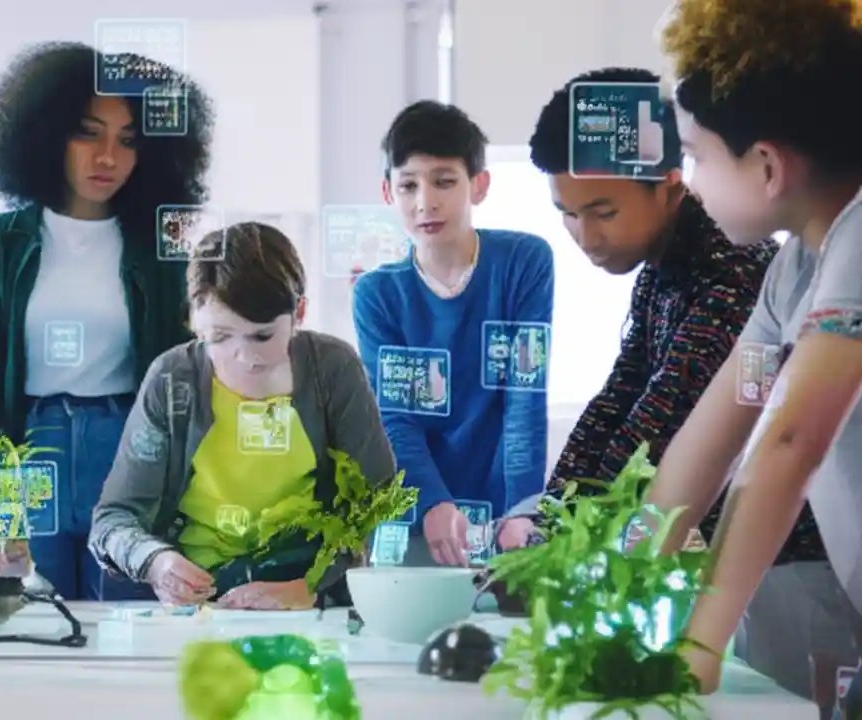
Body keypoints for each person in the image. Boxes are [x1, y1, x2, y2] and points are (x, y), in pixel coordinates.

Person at [645, 0, 862, 710]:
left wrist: (701, 647)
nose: (691, 182)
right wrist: (618, 574)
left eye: (696, 156)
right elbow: (713, 439)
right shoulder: (795, 266)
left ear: (766, 165)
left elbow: (792, 439)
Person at [496, 68, 801, 558]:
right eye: (568, 214)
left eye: (604, 213)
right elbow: (617, 399)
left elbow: (654, 433)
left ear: (670, 187)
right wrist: (550, 519)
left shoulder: (731, 270)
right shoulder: (660, 271)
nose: (586, 237)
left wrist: (555, 545)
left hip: (783, 565)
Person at [0, 42, 215, 601]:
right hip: (28, 450)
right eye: (87, 133)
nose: (107, 157)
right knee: (29, 623)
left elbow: (186, 373)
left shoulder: (161, 247)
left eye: (128, 140)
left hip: (128, 448)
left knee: (130, 627)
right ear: (46, 135)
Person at [89, 223, 396, 610]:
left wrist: (311, 587)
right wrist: (156, 562)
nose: (244, 356)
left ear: (299, 312)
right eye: (220, 337)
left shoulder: (333, 369)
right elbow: (114, 518)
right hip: (197, 598)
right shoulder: (172, 379)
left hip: (300, 588)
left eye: (262, 336)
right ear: (195, 322)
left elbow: (376, 500)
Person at [352, 101, 554, 568]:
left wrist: (523, 511)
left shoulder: (523, 262)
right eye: (408, 185)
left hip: (502, 514)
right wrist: (432, 502)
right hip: (414, 513)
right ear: (387, 192)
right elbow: (395, 417)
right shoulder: (377, 294)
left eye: (444, 181)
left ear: (478, 185)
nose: (425, 202)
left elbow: (525, 399)